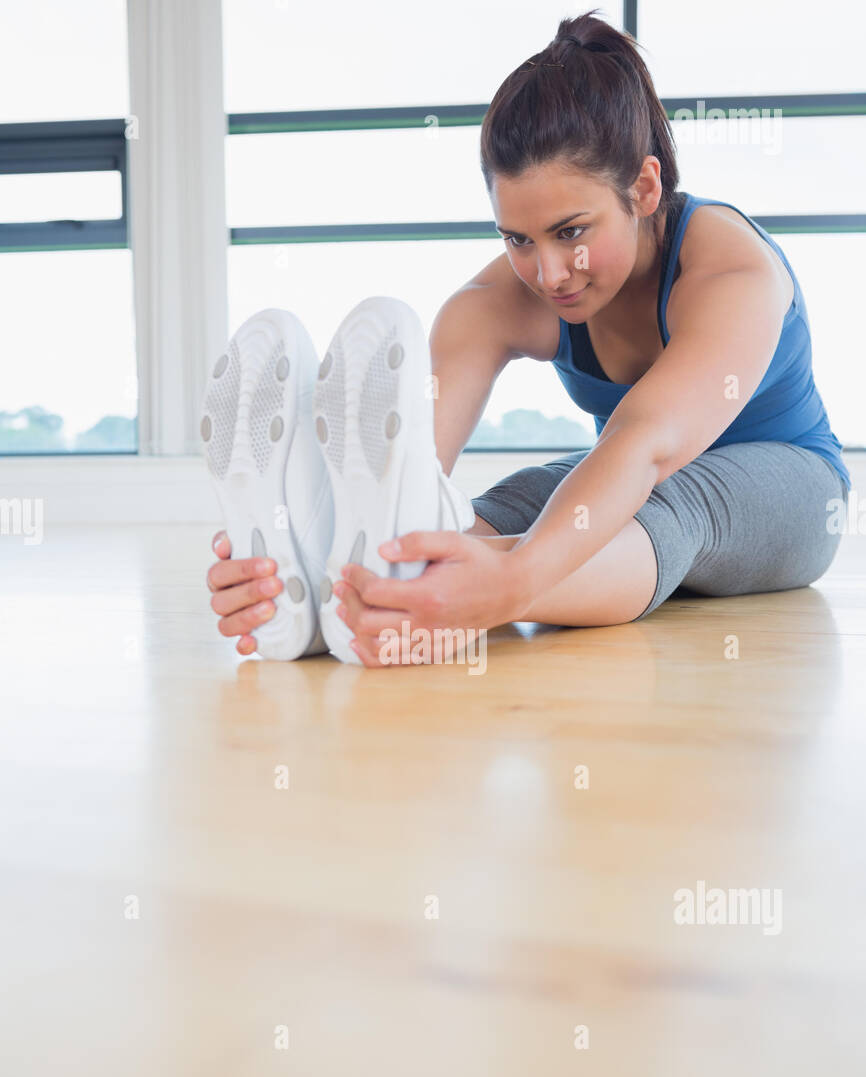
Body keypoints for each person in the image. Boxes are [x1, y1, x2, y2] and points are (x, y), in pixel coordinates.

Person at [205, 8, 849, 667]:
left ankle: (419, 591)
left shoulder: (729, 270)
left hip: (790, 490)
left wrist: (509, 587)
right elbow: (411, 470)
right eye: (518, 238)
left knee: (657, 501)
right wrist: (335, 550)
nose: (547, 274)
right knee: (504, 507)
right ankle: (340, 590)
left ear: (645, 187)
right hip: (639, 471)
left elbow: (646, 444)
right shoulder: (494, 303)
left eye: (572, 232)